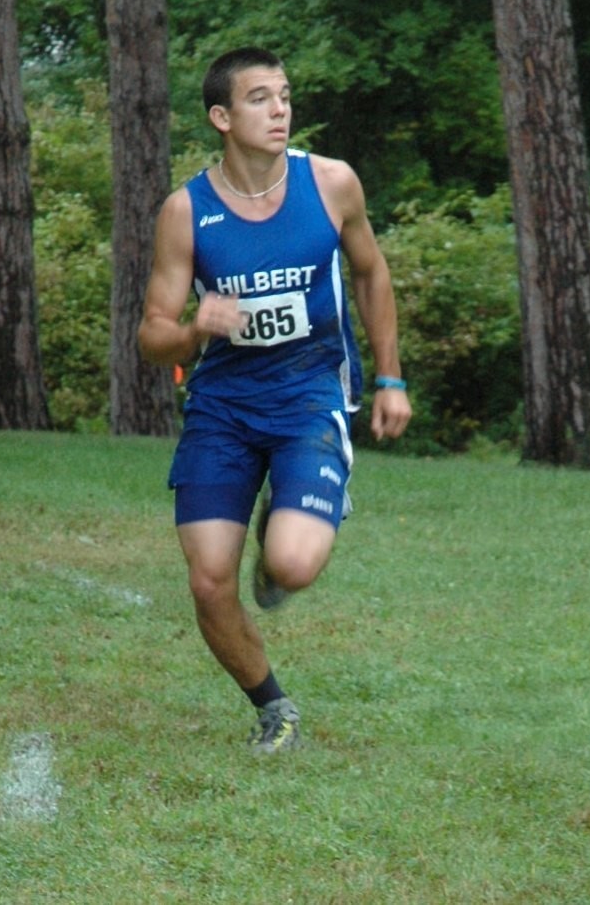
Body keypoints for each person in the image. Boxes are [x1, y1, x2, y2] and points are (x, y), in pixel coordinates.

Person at [138, 47, 411, 754]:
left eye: (285, 95)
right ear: (222, 117)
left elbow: (372, 275)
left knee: (289, 566)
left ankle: (292, 510)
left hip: (308, 397)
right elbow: (151, 336)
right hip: (222, 408)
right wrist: (195, 328)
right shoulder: (186, 212)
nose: (281, 109)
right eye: (260, 98)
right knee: (207, 582)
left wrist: (390, 378)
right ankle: (274, 708)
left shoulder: (330, 183)